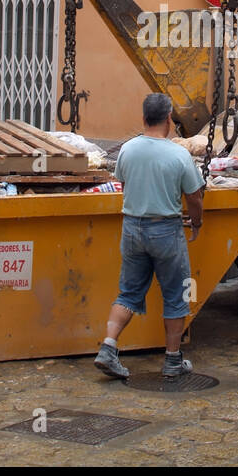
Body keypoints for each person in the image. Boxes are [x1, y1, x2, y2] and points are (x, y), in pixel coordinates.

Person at [94, 93, 205, 380]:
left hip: (132, 229)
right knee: (176, 295)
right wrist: (196, 222)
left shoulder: (128, 150)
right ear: (169, 118)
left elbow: (124, 180)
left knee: (128, 293)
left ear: (144, 118)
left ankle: (108, 348)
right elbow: (194, 195)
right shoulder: (179, 154)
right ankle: (172, 361)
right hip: (165, 230)